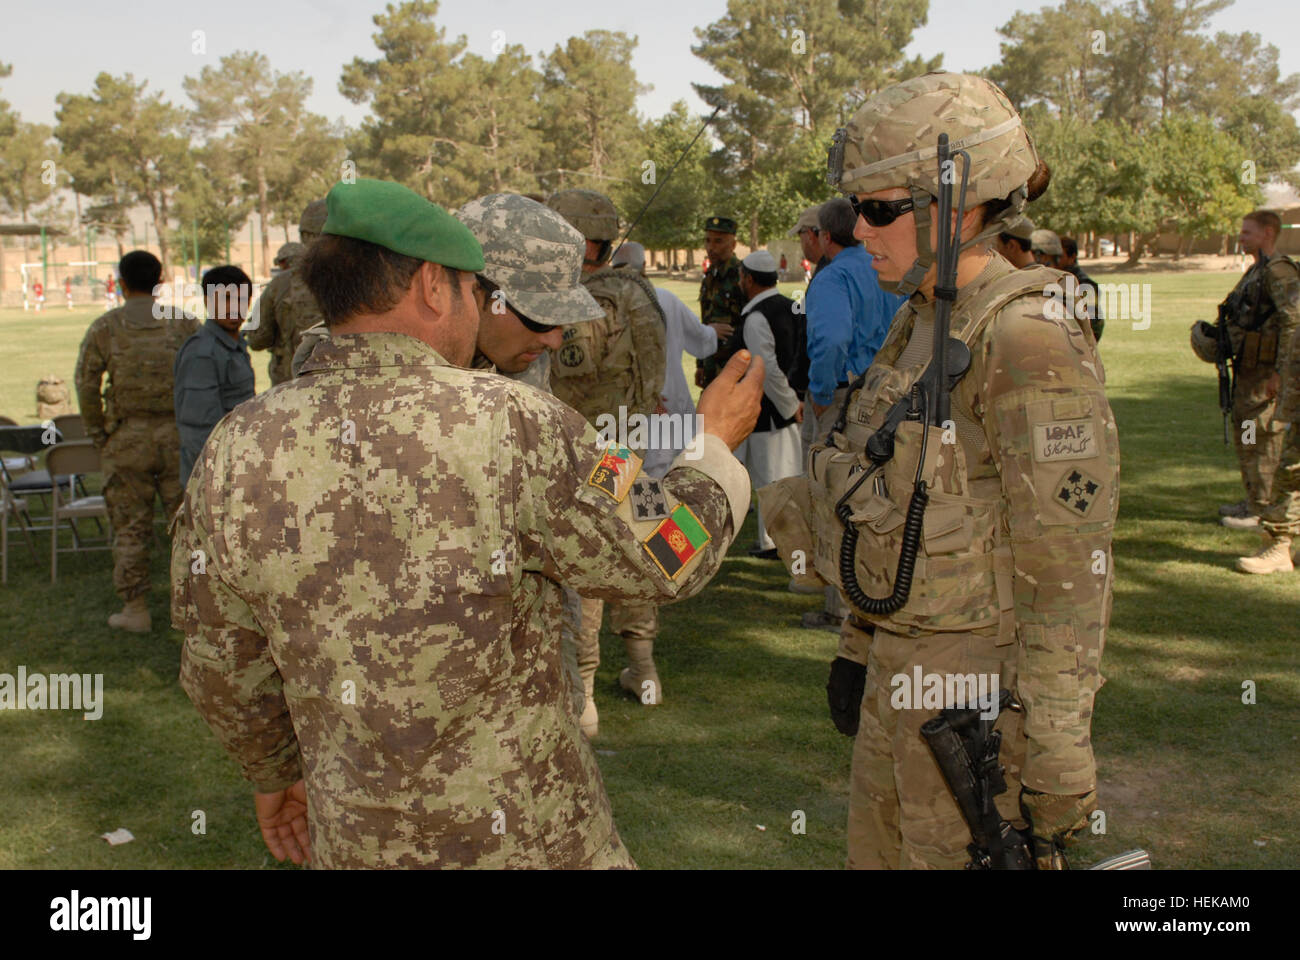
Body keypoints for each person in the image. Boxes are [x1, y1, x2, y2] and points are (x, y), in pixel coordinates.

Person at [172, 177, 764, 869]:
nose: (550, 336)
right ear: (433, 285)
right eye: (472, 290)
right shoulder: (516, 424)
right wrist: (715, 449)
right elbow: (667, 550)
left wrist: (274, 772)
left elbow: (220, 661)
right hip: (527, 841)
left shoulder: (237, 446)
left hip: (356, 842)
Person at [763, 71, 1118, 870]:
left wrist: (1060, 753)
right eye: (860, 208)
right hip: (902, 673)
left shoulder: (1027, 336)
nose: (859, 229)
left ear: (952, 204)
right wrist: (858, 648)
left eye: (880, 209)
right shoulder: (920, 319)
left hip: (975, 706)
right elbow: (884, 503)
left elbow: (1068, 566)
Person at [545, 190, 669, 735]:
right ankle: (644, 671)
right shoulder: (640, 292)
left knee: (585, 568)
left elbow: (564, 380)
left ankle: (586, 694)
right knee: (645, 547)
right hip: (632, 446)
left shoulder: (576, 305)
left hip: (584, 451)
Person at [75, 250, 200, 632]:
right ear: (159, 281)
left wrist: (100, 434)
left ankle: (135, 609)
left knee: (130, 526)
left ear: (121, 283)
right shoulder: (183, 324)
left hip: (127, 438)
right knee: (187, 527)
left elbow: (86, 384)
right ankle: (193, 608)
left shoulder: (105, 327)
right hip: (179, 436)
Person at [800, 197, 904, 630]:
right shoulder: (886, 266)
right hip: (890, 396)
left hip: (845, 396)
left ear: (825, 236)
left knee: (831, 495)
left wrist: (822, 391)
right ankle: (877, 592)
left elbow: (832, 338)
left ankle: (838, 607)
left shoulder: (832, 277)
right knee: (879, 498)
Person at [1190, 211, 1298, 541]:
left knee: (1263, 438)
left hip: (1266, 374)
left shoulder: (1279, 270)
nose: (1241, 237)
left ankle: (1264, 506)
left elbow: (1293, 323)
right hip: (1248, 373)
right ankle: (1252, 498)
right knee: (1247, 435)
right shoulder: (1257, 269)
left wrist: (1281, 374)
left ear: (1268, 233)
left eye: (1248, 232)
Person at [612, 241, 727, 477]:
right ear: (644, 266)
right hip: (659, 407)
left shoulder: (608, 306)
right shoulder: (665, 299)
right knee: (673, 479)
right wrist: (714, 331)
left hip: (635, 412)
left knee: (647, 482)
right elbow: (702, 341)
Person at [725, 250, 805, 557]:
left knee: (771, 476)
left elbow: (766, 369)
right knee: (783, 473)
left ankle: (776, 543)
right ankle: (777, 540)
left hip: (772, 410)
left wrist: (788, 406)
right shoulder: (792, 307)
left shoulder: (756, 316)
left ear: (748, 278)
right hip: (791, 402)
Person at [173, 266, 257, 486]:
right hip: (216, 478)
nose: (234, 308)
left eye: (241, 299)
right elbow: (199, 431)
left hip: (237, 464)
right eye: (226, 299)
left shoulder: (232, 345)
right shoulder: (203, 352)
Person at [246, 201, 327, 385]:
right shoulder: (368, 282)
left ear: (304, 235)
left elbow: (257, 339)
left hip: (291, 389)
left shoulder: (281, 284)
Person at [696, 216, 746, 387]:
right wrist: (701, 364)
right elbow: (706, 321)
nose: (711, 247)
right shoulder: (710, 276)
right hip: (711, 362)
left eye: (718, 241)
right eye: (708, 241)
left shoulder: (742, 276)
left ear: (733, 245)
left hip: (734, 366)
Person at [1059, 236, 1104, 343]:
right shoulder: (1059, 280)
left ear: (1072, 257)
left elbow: (1094, 326)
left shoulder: (1084, 285)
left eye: (1060, 256)